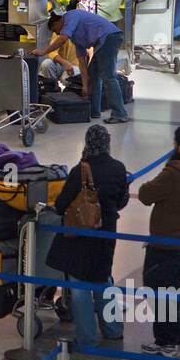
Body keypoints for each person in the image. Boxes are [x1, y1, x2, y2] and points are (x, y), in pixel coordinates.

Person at [47, 125, 129, 346]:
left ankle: (87, 338)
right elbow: (122, 201)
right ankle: (112, 329)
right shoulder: (118, 168)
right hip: (106, 235)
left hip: (81, 236)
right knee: (103, 278)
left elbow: (61, 204)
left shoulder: (80, 170)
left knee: (80, 285)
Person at [138, 125, 180, 356]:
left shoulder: (174, 172)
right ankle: (176, 336)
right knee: (171, 290)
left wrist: (171, 164)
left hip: (165, 242)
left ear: (179, 146)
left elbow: (146, 194)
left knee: (157, 290)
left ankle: (170, 339)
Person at [37, 8, 129, 123]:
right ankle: (95, 111)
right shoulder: (75, 37)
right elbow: (82, 63)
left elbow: (62, 38)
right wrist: (85, 87)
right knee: (93, 75)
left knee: (108, 77)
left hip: (110, 38)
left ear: (57, 22)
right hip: (102, 43)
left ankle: (120, 114)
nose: (57, 33)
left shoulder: (71, 16)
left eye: (56, 30)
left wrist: (43, 52)